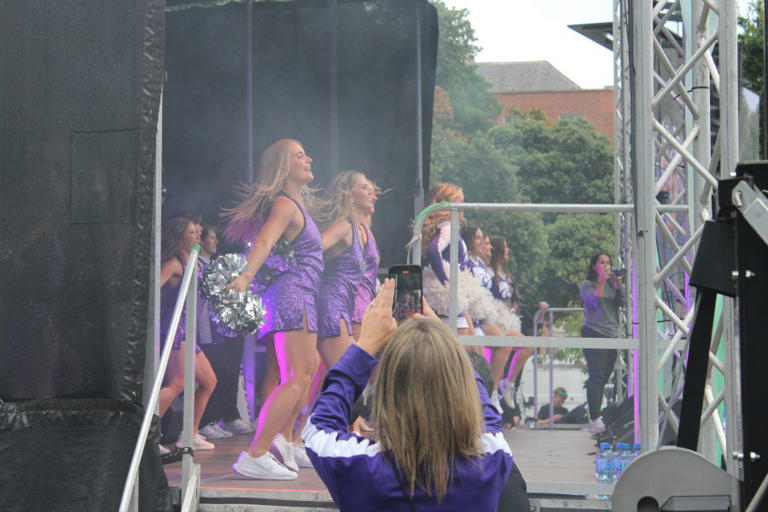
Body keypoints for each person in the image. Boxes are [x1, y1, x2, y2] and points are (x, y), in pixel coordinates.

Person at [302, 280, 514, 511]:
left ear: (387, 391)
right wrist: (446, 344)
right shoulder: (492, 461)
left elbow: (317, 427)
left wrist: (365, 345)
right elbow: (484, 410)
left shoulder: (360, 465)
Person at [225, 139, 323, 480]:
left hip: (303, 295)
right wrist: (246, 275)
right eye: (300, 154)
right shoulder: (284, 204)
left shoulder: (297, 205)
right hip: (293, 296)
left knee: (306, 376)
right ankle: (256, 452)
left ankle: (283, 440)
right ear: (284, 166)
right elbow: (265, 240)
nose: (308, 158)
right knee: (296, 378)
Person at [157, 216, 217, 452]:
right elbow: (153, 289)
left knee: (209, 381)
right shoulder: (173, 264)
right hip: (175, 329)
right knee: (178, 382)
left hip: (189, 331)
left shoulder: (195, 262)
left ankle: (189, 434)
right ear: (180, 236)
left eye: (197, 232)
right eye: (191, 232)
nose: (196, 235)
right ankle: (147, 436)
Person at [197, 224, 254, 439]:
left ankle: (226, 417)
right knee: (217, 374)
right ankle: (203, 422)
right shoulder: (198, 266)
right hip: (205, 329)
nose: (216, 241)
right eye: (212, 237)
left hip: (222, 327)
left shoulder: (214, 263)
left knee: (227, 373)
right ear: (201, 241)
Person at [312, 170, 373, 368]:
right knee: (349, 374)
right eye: (363, 188)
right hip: (331, 305)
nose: (370, 193)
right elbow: (313, 246)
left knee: (345, 376)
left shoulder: (356, 228)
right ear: (349, 194)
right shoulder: (343, 226)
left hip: (342, 308)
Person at [421, 183, 474, 335]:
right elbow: (433, 252)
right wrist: (446, 283)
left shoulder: (436, 228)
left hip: (442, 305)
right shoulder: (447, 227)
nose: (462, 208)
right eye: (459, 203)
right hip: (447, 306)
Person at [581, 252, 625, 434]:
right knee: (596, 376)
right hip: (594, 331)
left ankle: (597, 414)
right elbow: (594, 303)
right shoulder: (587, 285)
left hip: (611, 334)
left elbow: (621, 303)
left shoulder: (611, 286)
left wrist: (617, 284)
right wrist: (601, 281)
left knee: (605, 374)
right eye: (602, 263)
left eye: (608, 262)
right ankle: (594, 417)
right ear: (594, 266)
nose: (606, 266)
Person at [488, 236, 534, 409]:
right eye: (505, 247)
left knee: (529, 346)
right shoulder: (489, 272)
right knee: (511, 346)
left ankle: (508, 382)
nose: (508, 250)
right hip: (494, 319)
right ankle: (493, 390)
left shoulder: (503, 273)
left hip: (504, 318)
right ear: (498, 250)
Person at [351, 178, 380, 340]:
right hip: (357, 304)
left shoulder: (365, 230)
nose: (374, 197)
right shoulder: (357, 230)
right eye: (368, 191)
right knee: (358, 359)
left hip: (365, 302)